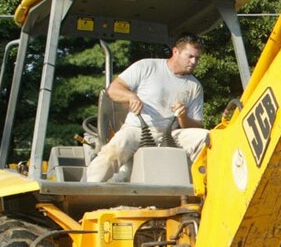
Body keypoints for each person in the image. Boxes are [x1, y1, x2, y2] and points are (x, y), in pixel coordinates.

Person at [86, 34, 209, 182]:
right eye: (190, 56)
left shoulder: (195, 86)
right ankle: (87, 187)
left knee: (205, 137)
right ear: (175, 52)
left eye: (197, 58)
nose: (194, 62)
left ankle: (200, 187)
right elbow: (113, 90)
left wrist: (183, 117)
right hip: (137, 129)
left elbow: (196, 126)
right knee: (113, 151)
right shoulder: (147, 67)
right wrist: (130, 96)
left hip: (170, 135)